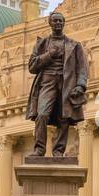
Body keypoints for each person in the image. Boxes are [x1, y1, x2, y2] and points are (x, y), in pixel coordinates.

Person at [25, 11, 88, 156]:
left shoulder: (74, 45)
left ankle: (59, 151)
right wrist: (49, 55)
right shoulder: (41, 44)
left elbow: (82, 68)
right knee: (42, 114)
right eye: (55, 21)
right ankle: (39, 149)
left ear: (64, 23)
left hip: (67, 83)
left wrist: (80, 85)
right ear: (50, 23)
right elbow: (32, 67)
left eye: (60, 21)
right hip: (47, 82)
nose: (58, 23)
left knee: (64, 117)